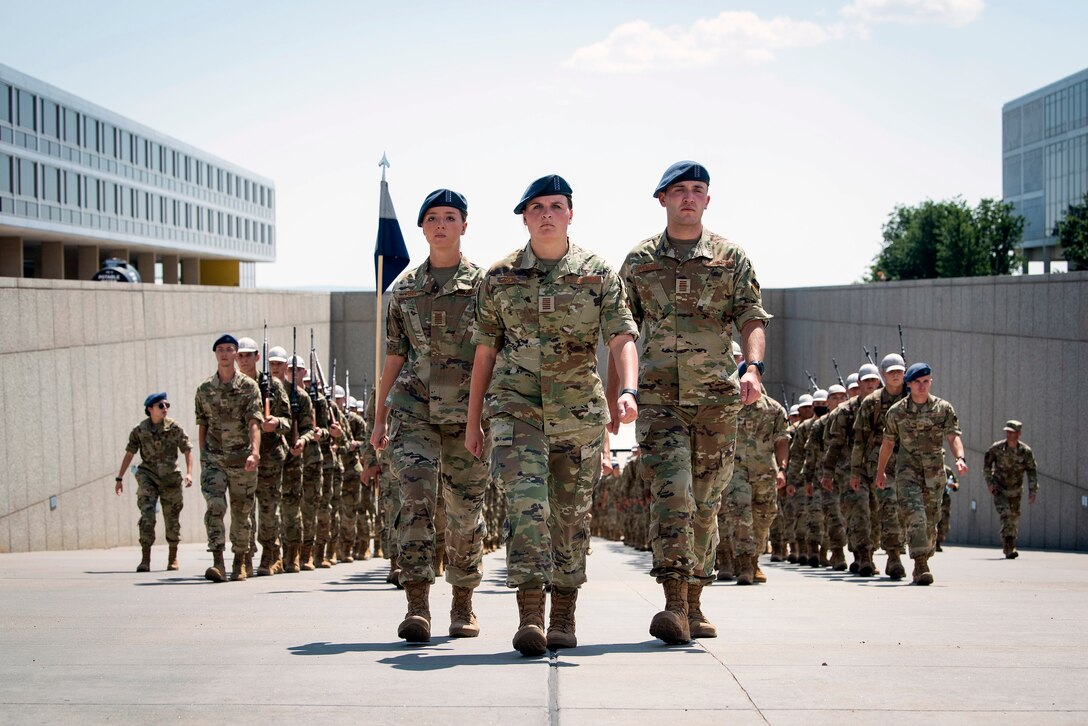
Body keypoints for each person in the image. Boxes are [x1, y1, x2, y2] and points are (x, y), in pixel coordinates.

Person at [466, 174, 639, 656]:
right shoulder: (499, 277)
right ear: (524, 216)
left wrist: (628, 390)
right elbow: (484, 351)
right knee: (528, 508)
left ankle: (563, 612)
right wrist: (471, 420)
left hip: (579, 414)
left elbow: (622, 337)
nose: (547, 213)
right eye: (537, 206)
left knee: (570, 516)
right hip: (514, 409)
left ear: (570, 213)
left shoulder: (598, 274)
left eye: (556, 205)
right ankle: (529, 616)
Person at [621, 161, 770, 645]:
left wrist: (752, 367)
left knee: (706, 504)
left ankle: (695, 600)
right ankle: (671, 603)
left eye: (697, 190)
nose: (688, 197)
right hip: (660, 401)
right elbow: (622, 333)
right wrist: (616, 396)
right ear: (661, 199)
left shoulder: (731, 258)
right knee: (674, 495)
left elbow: (751, 318)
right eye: (679, 190)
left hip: (716, 404)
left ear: (708, 200)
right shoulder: (639, 262)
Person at [371, 188, 491, 643]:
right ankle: (417, 605)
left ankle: (463, 604)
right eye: (433, 218)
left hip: (468, 414)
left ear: (464, 225)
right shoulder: (403, 290)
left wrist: (484, 417)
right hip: (414, 411)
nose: (441, 225)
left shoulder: (485, 286)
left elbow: (493, 351)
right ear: (422, 228)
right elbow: (394, 357)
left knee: (464, 511)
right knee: (415, 503)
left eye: (450, 217)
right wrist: (380, 419)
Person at [875, 362, 968, 585]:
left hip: (935, 473)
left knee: (930, 522)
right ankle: (920, 565)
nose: (922, 386)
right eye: (917, 382)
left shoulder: (943, 408)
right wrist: (881, 473)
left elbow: (953, 436)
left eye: (926, 381)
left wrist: (960, 458)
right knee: (916, 517)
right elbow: (888, 444)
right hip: (908, 473)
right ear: (909, 384)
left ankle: (923, 556)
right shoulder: (896, 412)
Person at [194, 334, 263, 582]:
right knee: (215, 506)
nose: (224, 353)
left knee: (241, 511)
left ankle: (240, 560)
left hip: (241, 458)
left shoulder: (248, 387)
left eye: (229, 349)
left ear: (236, 354)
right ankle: (218, 562)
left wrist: (255, 452)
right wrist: (202, 455)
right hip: (213, 458)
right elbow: (201, 424)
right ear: (215, 354)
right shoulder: (204, 390)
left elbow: (254, 422)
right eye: (220, 349)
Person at [721, 362, 789, 585]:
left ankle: (755, 559)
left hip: (765, 473)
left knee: (764, 517)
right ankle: (743, 565)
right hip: (735, 472)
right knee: (740, 516)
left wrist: (782, 470)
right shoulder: (727, 408)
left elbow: (782, 442)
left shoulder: (774, 409)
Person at [115, 392, 193, 572]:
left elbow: (187, 450)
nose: (165, 408)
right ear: (150, 409)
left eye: (167, 405)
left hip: (170, 477)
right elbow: (129, 453)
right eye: (160, 405)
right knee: (147, 516)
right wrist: (119, 478)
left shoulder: (174, 428)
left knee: (172, 518)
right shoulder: (140, 430)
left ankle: (173, 558)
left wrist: (189, 473)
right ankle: (145, 559)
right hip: (148, 476)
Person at [236, 338, 292, 577]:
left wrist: (276, 423)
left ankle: (270, 553)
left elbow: (289, 421)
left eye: (248, 355)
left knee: (268, 509)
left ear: (258, 357)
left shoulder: (272, 386)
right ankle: (245, 556)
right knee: (244, 509)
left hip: (269, 455)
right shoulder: (234, 386)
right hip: (243, 455)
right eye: (241, 355)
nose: (244, 359)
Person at [850, 354, 907, 579]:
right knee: (886, 510)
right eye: (891, 371)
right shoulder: (872, 402)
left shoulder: (913, 398)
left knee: (903, 513)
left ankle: (902, 551)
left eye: (899, 371)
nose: (895, 375)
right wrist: (855, 471)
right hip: (879, 467)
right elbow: (860, 440)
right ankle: (893, 557)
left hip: (908, 465)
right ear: (884, 374)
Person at [279, 354, 317, 572]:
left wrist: (303, 439)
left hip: (307, 459)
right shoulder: (269, 391)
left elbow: (308, 427)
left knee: (303, 508)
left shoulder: (305, 398)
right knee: (274, 509)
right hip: (274, 457)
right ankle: (274, 554)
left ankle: (301, 553)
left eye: (297, 369)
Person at [984, 420, 1039, 559]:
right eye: (1007, 432)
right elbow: (987, 466)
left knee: (1013, 518)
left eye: (1012, 432)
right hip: (999, 489)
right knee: (1007, 515)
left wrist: (1033, 491)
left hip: (1015, 491)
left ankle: (1010, 544)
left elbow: (1032, 471)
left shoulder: (1025, 451)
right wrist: (990, 483)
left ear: (1018, 434)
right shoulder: (996, 448)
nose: (1009, 435)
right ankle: (1009, 548)